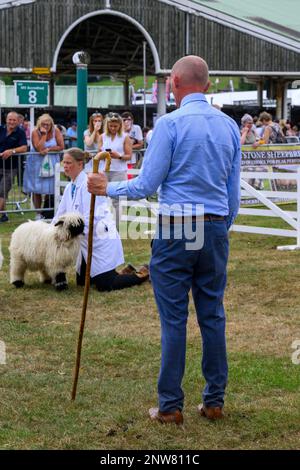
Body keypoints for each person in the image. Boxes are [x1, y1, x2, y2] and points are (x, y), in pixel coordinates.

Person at [87, 55, 241, 425]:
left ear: (173, 83)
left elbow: (146, 185)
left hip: (177, 228)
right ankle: (214, 401)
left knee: (174, 320)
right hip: (215, 226)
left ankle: (171, 406)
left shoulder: (168, 125)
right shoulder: (230, 126)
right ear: (207, 84)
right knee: (212, 315)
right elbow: (233, 193)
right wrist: (220, 227)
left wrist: (108, 187)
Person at [53, 147, 149, 291]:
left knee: (105, 286)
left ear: (80, 164)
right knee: (82, 283)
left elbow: (89, 217)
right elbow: (60, 214)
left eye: (69, 163)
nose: (65, 166)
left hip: (99, 238)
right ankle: (123, 272)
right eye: (64, 163)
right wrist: (52, 230)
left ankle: (143, 274)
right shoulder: (69, 188)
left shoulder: (88, 185)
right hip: (84, 242)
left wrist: (68, 232)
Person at [23, 113, 64, 219]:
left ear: (52, 124)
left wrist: (49, 149)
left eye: (48, 124)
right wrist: (44, 135)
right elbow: (39, 148)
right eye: (44, 124)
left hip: (52, 162)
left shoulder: (56, 131)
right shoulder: (35, 132)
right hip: (36, 163)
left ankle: (48, 212)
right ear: (39, 124)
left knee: (50, 187)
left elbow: (61, 146)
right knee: (36, 189)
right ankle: (38, 213)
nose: (46, 126)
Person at [98, 112, 132, 229]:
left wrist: (119, 156)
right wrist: (103, 154)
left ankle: (116, 228)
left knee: (117, 200)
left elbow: (129, 155)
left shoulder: (125, 137)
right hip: (105, 170)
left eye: (115, 126)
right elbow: (99, 151)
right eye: (110, 126)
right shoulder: (102, 136)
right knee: (101, 199)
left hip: (119, 170)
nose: (113, 128)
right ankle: (103, 225)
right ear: (107, 125)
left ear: (119, 125)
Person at [0, 111, 27, 223]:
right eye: (10, 119)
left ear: (18, 121)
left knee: (2, 191)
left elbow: (24, 148)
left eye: (14, 120)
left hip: (11, 168)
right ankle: (4, 215)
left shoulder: (20, 133)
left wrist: (12, 151)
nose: (11, 122)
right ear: (6, 120)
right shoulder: (0, 129)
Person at [121, 111, 143, 175]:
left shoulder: (136, 128)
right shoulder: (119, 129)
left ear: (132, 120)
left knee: (131, 177)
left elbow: (140, 144)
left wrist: (127, 147)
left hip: (132, 160)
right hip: (120, 160)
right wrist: (124, 130)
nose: (127, 122)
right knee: (122, 179)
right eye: (124, 120)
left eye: (129, 120)